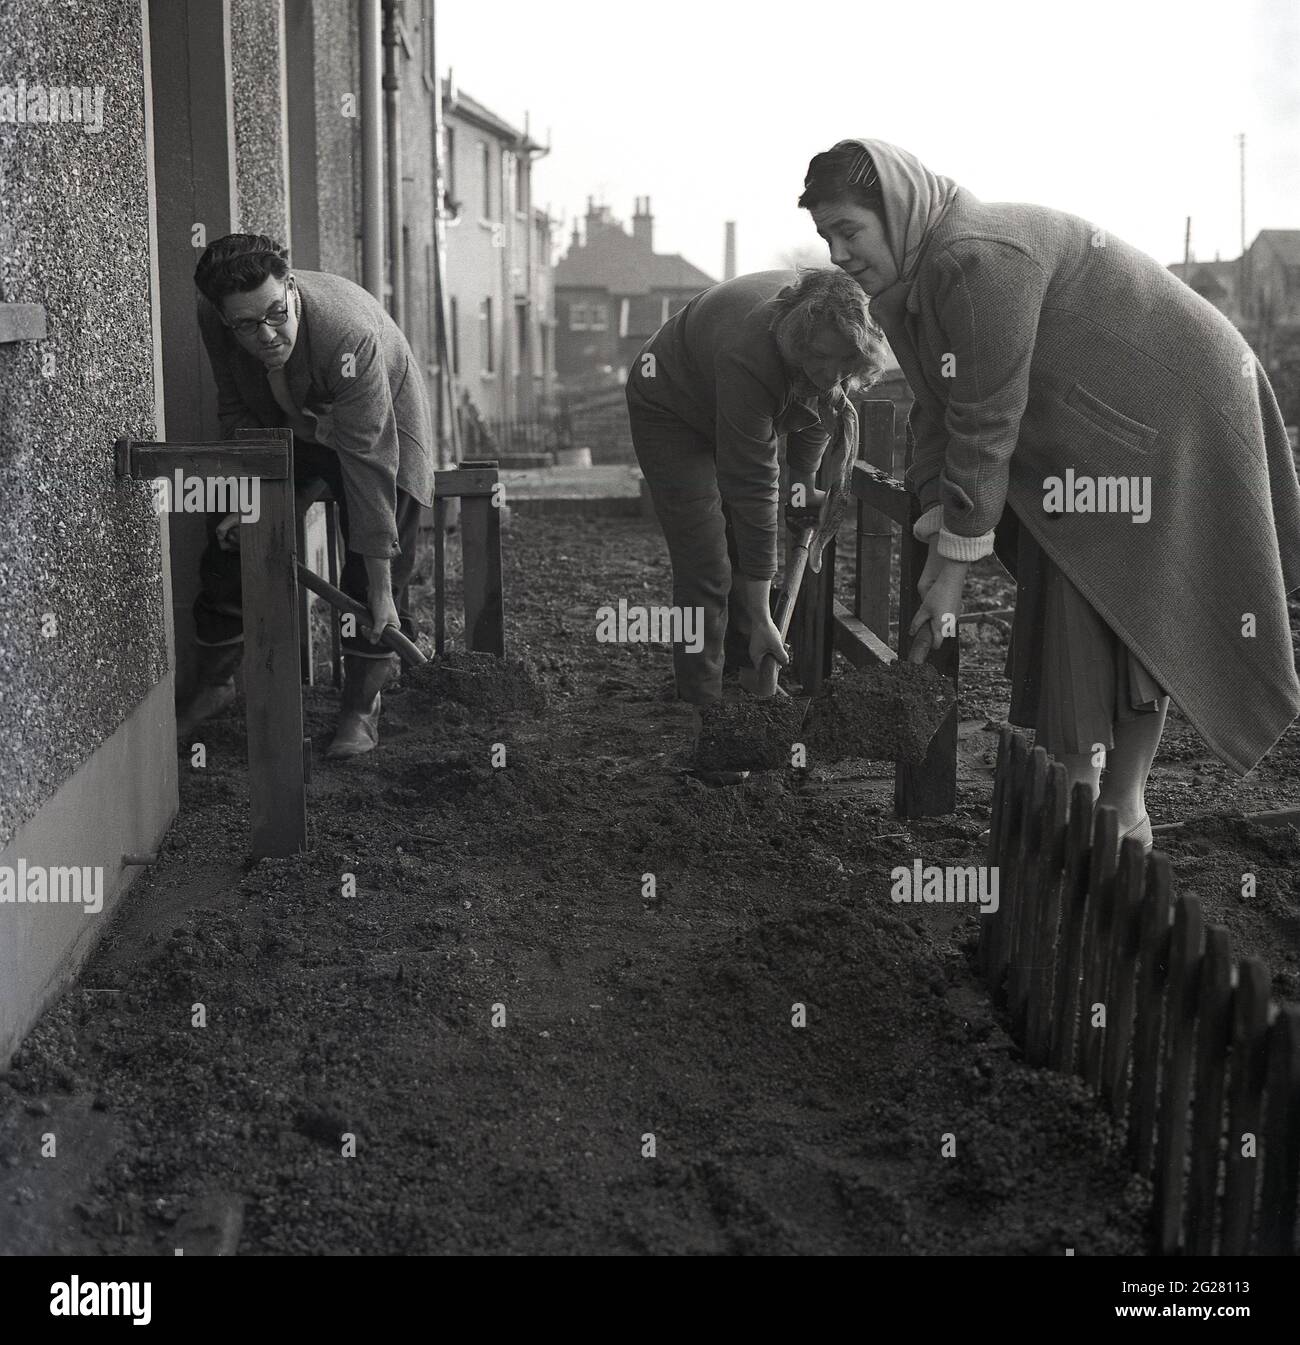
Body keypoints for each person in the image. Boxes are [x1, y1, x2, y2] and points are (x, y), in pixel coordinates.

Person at [799, 139, 1300, 847]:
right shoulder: (910, 288)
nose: (837, 253)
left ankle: (1120, 810)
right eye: (826, 237)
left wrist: (951, 571)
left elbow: (986, 416)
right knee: (1067, 589)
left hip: (1168, 411)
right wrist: (938, 519)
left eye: (849, 231)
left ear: (898, 210)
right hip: (1099, 424)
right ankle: (1090, 794)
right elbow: (938, 408)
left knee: (1110, 595)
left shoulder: (976, 260)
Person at [178, 234, 435, 759]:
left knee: (371, 581)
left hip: (380, 432)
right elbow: (236, 409)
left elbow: (368, 467)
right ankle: (215, 684)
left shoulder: (348, 336)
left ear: (291, 287)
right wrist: (238, 501)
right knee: (232, 542)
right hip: (289, 428)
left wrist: (381, 589)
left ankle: (361, 710)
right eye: (247, 325)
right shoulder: (216, 319)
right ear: (224, 317)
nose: (267, 335)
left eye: (276, 313)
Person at [625, 268, 887, 756]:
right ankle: (705, 705)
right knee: (707, 558)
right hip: (671, 406)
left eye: (844, 363)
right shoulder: (752, 354)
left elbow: (814, 414)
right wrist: (765, 610)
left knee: (745, 537)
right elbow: (752, 488)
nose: (833, 373)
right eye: (823, 359)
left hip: (725, 393)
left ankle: (751, 673)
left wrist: (803, 487)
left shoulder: (828, 347)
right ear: (798, 341)